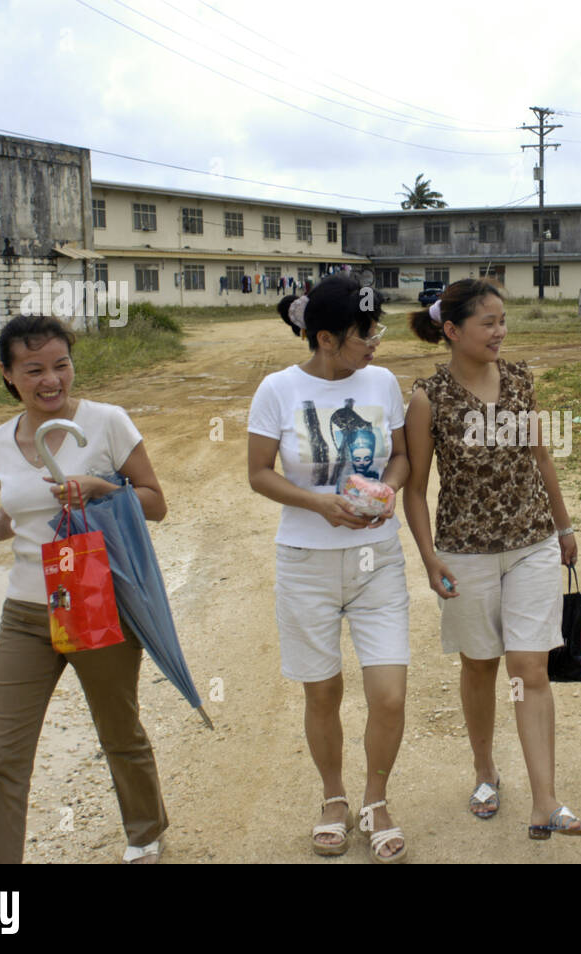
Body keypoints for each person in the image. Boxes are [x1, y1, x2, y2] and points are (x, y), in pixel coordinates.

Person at [0, 314, 169, 864]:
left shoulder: (107, 422)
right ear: (9, 375)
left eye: (61, 364)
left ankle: (145, 834)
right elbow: (16, 508)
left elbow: (155, 501)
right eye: (34, 370)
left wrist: (103, 490)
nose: (51, 379)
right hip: (26, 612)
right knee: (5, 754)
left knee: (119, 732)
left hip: (96, 603)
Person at [403, 278, 581, 840]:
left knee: (530, 668)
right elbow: (415, 488)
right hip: (465, 552)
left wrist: (563, 523)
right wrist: (428, 556)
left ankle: (546, 800)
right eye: (488, 323)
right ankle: (485, 771)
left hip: (531, 542)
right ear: (453, 330)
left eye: (503, 320)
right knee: (480, 664)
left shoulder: (518, 377)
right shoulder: (426, 397)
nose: (500, 331)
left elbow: (540, 455)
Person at [247, 275, 411, 863]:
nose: (375, 342)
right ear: (324, 338)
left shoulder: (383, 382)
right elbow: (259, 472)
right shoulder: (277, 389)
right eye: (364, 333)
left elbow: (403, 457)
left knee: (389, 694)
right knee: (323, 691)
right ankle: (333, 798)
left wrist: (385, 491)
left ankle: (376, 798)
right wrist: (322, 504)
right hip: (305, 562)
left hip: (376, 560)